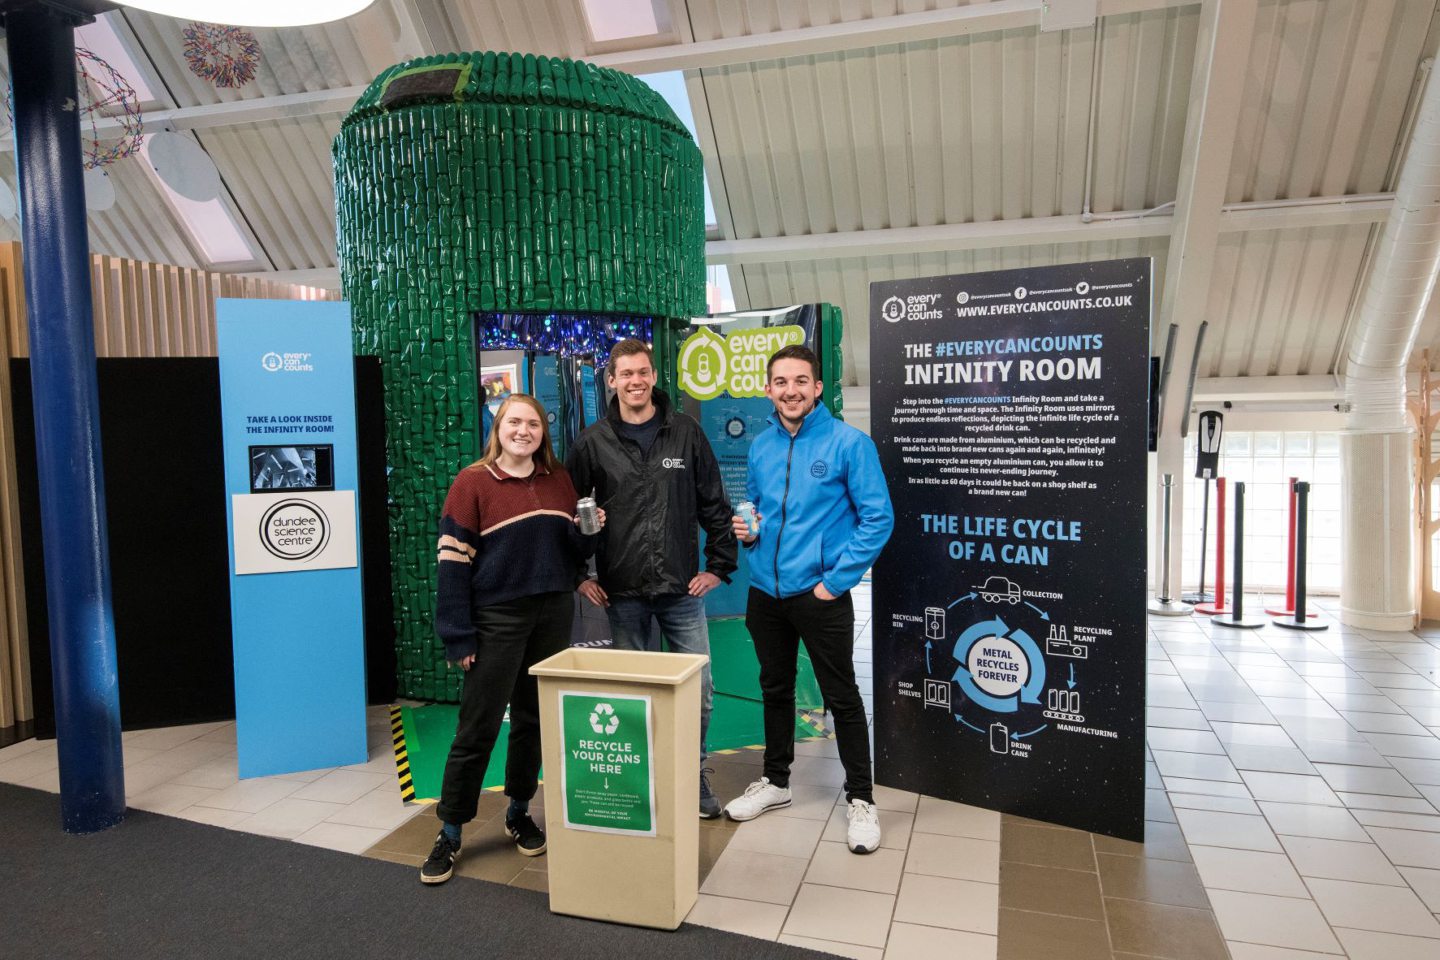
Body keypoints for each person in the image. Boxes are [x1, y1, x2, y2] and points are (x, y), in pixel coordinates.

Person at [421, 394, 603, 885]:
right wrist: (458, 636)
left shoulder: (558, 480)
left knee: (533, 720)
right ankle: (451, 829)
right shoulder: (472, 483)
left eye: (533, 424)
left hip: (552, 611)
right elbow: (452, 566)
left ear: (543, 432)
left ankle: (519, 810)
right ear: (498, 428)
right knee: (477, 726)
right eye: (514, 422)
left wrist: (589, 533)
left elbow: (572, 550)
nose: (524, 431)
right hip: (497, 618)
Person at [722, 344, 894, 854]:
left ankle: (861, 799)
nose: (790, 390)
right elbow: (756, 506)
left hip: (820, 595)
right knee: (774, 689)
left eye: (801, 381)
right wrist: (748, 532)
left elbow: (877, 519)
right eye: (781, 382)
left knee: (841, 697)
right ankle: (775, 782)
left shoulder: (850, 444)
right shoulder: (761, 446)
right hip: (764, 594)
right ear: (768, 388)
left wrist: (833, 583)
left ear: (817, 388)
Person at [566, 338, 738, 819]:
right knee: (635, 694)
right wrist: (581, 573)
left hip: (682, 592)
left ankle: (692, 773)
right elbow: (572, 512)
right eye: (626, 374)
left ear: (654, 376)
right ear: (612, 381)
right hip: (623, 594)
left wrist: (719, 566)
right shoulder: (591, 441)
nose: (635, 381)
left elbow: (714, 504)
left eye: (643, 372)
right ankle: (642, 775)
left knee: (698, 691)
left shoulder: (685, 433)